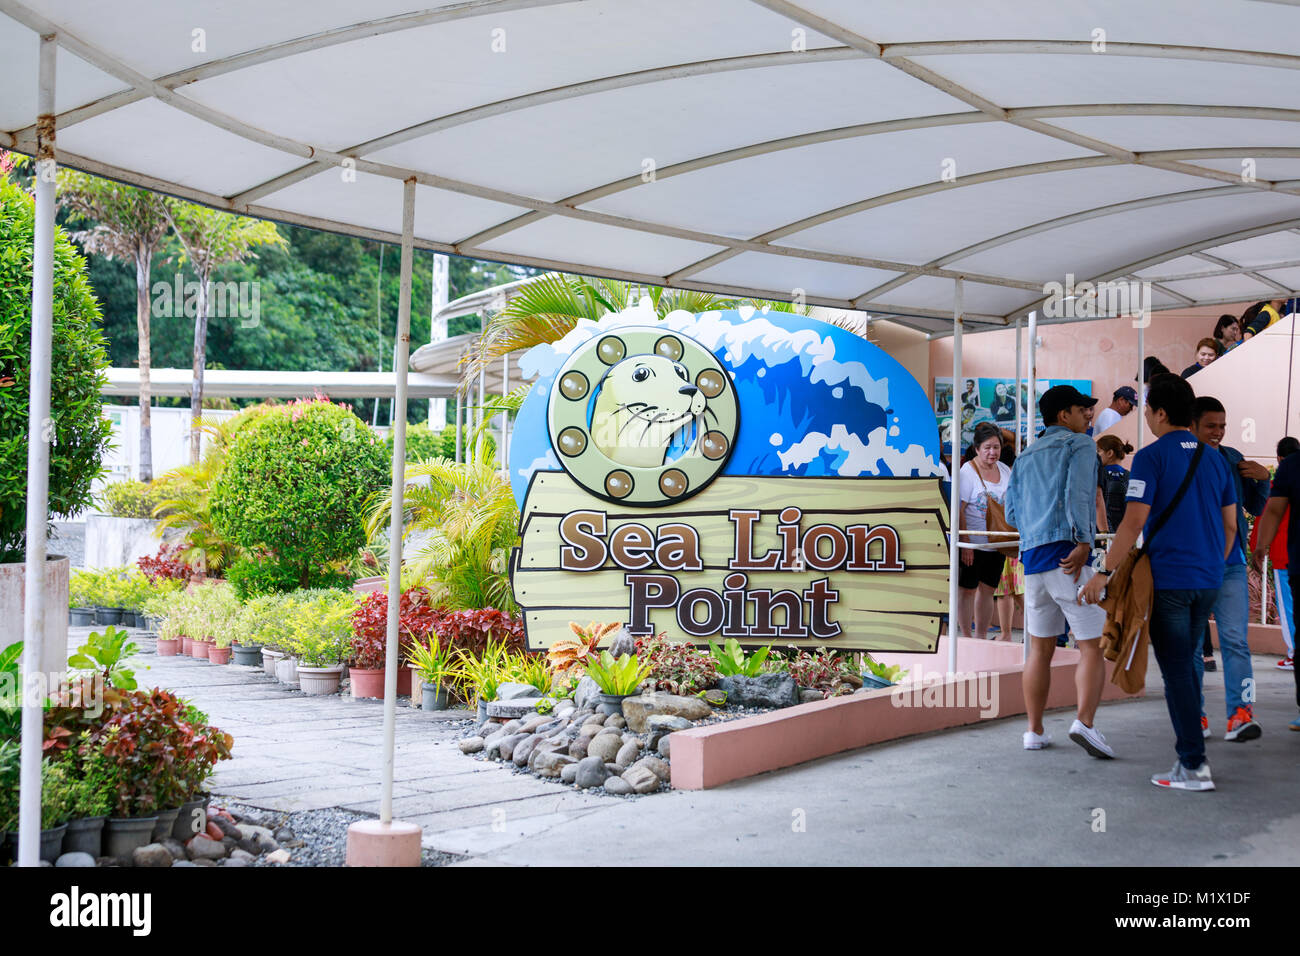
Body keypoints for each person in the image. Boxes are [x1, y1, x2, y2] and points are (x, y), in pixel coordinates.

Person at [1081, 374, 1237, 791]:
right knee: (1185, 665)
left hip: (1169, 581)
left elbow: (1133, 521)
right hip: (1208, 580)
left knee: (1178, 672)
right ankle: (1191, 758)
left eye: (1148, 409)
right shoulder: (1215, 458)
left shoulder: (1150, 458)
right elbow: (1230, 526)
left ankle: (1193, 764)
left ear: (1162, 412)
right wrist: (1212, 565)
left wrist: (1104, 572)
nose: (1146, 416)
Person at [1004, 385, 1111, 757]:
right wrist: (1084, 540)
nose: (1088, 416)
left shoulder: (1024, 457)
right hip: (1068, 556)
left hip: (1032, 560)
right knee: (1092, 645)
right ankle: (1085, 722)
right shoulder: (1079, 444)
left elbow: (1011, 514)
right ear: (1064, 415)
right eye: (1083, 410)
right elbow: (1080, 491)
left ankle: (1033, 731)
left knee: (1039, 650)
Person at [1189, 396, 1270, 741]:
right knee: (1191, 644)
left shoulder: (1232, 458)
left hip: (1231, 565)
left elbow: (1255, 505)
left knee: (1236, 641)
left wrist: (1263, 480)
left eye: (1222, 426)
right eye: (1211, 426)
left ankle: (1241, 714)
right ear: (1192, 425)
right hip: (1190, 566)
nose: (1218, 432)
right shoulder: (1179, 459)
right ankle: (1195, 716)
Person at [1251, 441, 1300, 731]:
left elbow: (1270, 512)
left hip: (1287, 559)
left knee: (1291, 612)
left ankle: (1293, 652)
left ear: (1279, 457)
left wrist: (1260, 547)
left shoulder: (1287, 471)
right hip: (1289, 559)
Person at [958, 422, 1010, 641]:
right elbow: (958, 509)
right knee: (967, 589)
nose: (992, 452)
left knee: (988, 589)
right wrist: (966, 542)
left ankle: (981, 636)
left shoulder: (1006, 469)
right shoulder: (967, 472)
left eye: (996, 447)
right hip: (973, 543)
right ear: (977, 448)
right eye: (987, 447)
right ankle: (967, 637)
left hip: (997, 542)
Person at [1096, 434, 1133, 533]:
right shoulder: (1130, 476)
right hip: (1124, 533)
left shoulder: (1098, 474)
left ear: (1110, 453)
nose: (1096, 455)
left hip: (1101, 532)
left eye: (1098, 451)